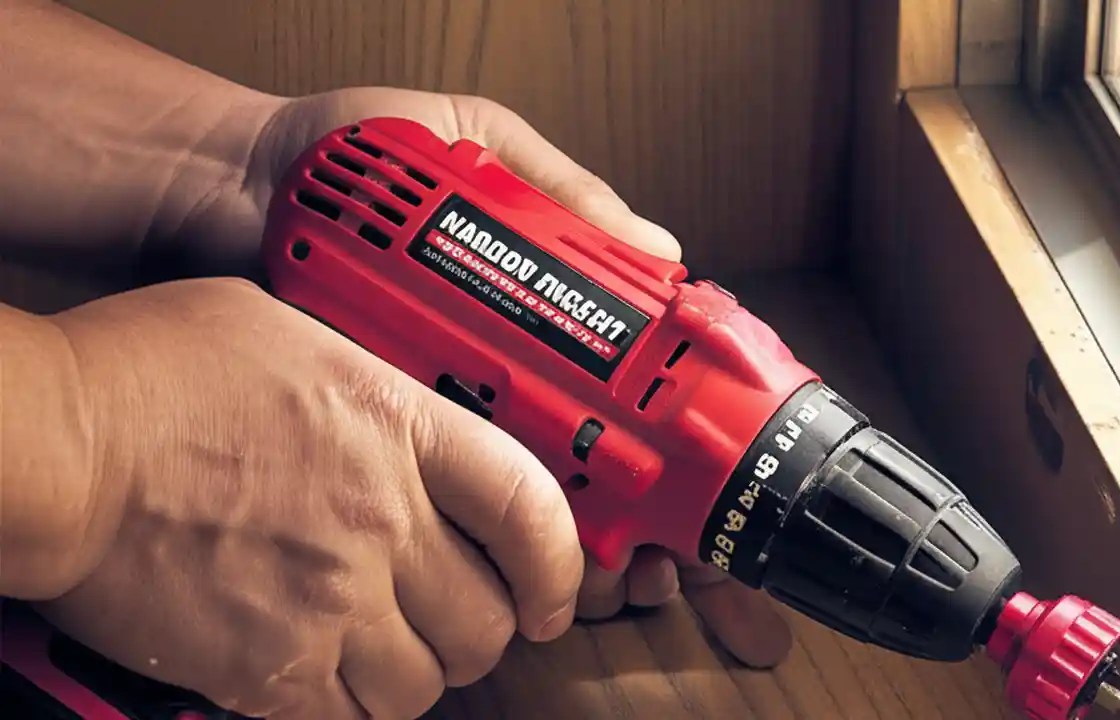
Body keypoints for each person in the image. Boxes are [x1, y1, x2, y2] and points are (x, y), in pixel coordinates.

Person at [0, 2, 791, 718]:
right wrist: (90, 450)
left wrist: (229, 168)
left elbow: (300, 188)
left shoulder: (338, 199)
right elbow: (90, 448)